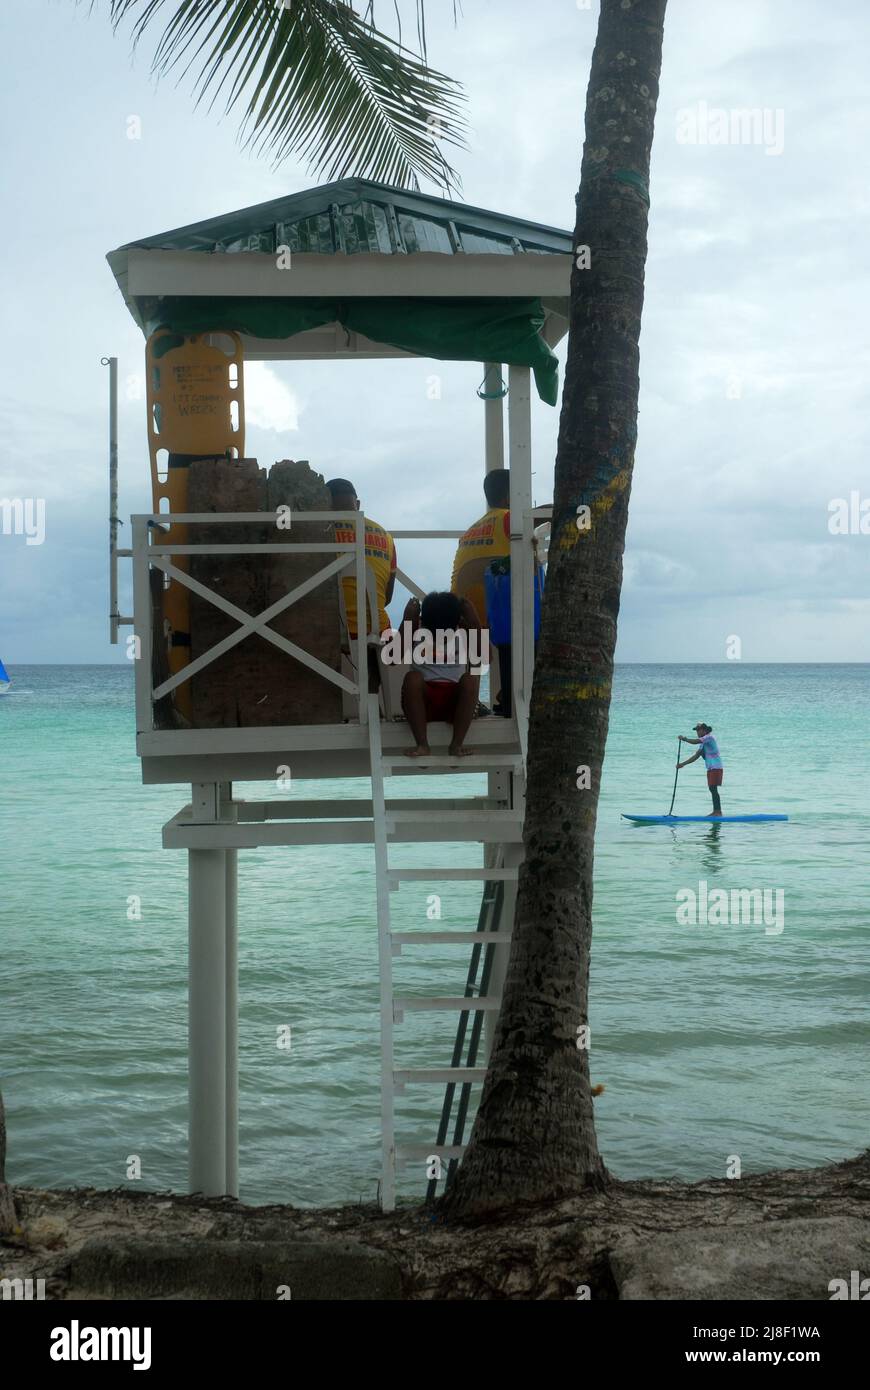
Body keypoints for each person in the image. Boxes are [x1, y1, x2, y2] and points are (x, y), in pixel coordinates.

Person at [451, 469, 512, 714]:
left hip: (462, 614)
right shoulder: (511, 519)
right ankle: (509, 694)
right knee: (530, 621)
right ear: (510, 495)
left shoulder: (469, 532)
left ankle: (472, 699)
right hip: (496, 617)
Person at [400, 591, 482, 758]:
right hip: (422, 703)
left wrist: (474, 622)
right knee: (412, 678)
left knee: (469, 681)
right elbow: (394, 657)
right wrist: (408, 620)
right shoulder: (416, 631)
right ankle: (422, 744)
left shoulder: (463, 633)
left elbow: (483, 655)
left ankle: (456, 745)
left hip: (455, 704)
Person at [326, 478, 396, 638]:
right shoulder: (387, 536)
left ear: (326, 504)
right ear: (357, 504)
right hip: (380, 632)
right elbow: (388, 597)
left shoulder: (323, 532)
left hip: (338, 631)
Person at [677, 723, 724, 816]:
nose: (697, 732)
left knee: (713, 789)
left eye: (699, 730)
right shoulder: (703, 744)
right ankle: (717, 811)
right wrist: (682, 764)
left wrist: (685, 739)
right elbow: (696, 756)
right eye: (696, 731)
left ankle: (718, 812)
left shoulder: (709, 738)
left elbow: (695, 741)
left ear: (705, 730)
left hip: (716, 767)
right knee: (712, 789)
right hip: (711, 768)